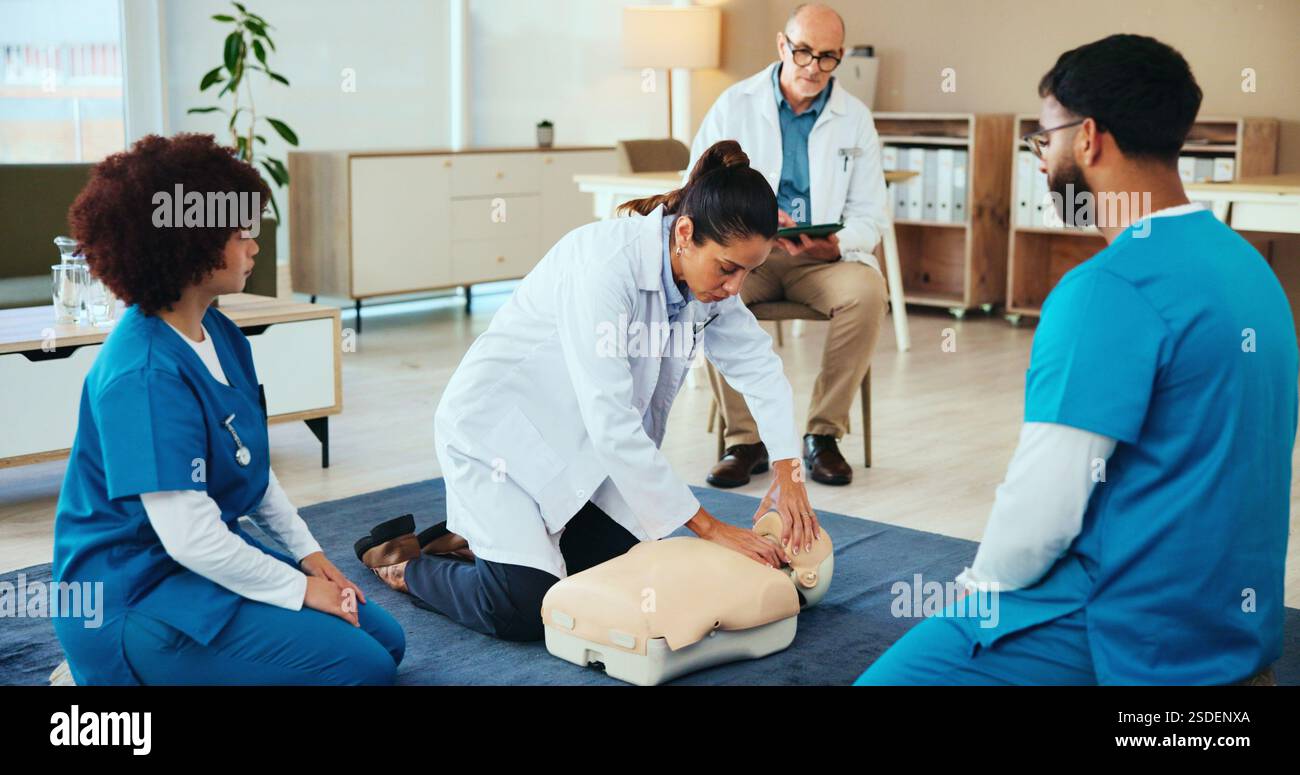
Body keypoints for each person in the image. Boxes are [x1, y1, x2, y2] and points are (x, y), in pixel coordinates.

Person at [856, 34, 1297, 685]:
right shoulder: (1252, 271)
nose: (1040, 160)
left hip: (1128, 633)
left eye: (1043, 138)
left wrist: (978, 595)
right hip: (1236, 636)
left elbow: (1040, 515)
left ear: (1088, 137)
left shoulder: (1106, 289)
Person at [363, 141, 820, 641]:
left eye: (749, 272)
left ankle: (474, 541)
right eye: (729, 268)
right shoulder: (606, 266)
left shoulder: (707, 282)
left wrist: (788, 472)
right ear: (685, 233)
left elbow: (760, 367)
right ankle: (406, 564)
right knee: (529, 608)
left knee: (604, 578)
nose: (736, 287)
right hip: (495, 436)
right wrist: (711, 528)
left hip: (576, 444)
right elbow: (613, 422)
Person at [52, 133, 405, 685]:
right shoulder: (142, 376)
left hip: (195, 563)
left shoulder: (218, 330)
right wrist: (299, 589)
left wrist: (309, 556)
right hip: (131, 595)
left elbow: (249, 466)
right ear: (190, 246)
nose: (255, 246)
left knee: (387, 639)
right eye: (243, 233)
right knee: (363, 671)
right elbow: (190, 537)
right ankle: (103, 674)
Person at [690, 2, 890, 487]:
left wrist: (836, 244)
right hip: (747, 259)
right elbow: (696, 191)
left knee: (867, 294)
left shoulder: (856, 118)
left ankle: (823, 435)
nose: (813, 69)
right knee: (706, 296)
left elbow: (872, 214)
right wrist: (745, 219)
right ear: (783, 45)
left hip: (819, 261)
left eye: (826, 58)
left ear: (840, 56)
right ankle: (745, 439)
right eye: (802, 53)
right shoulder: (735, 104)